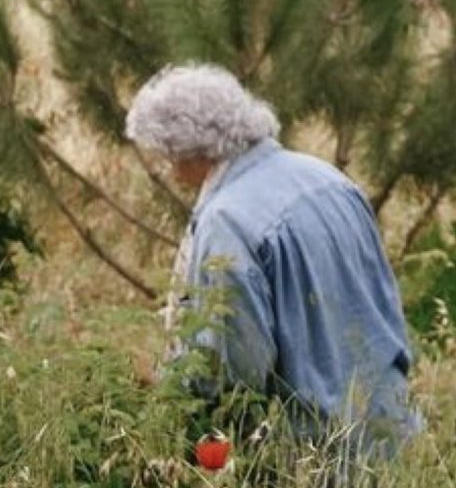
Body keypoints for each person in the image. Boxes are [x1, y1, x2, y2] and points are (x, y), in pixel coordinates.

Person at [126, 62, 419, 461]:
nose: (169, 170)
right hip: (390, 429)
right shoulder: (328, 179)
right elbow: (385, 303)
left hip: (314, 456)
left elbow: (234, 367)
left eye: (166, 155)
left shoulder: (226, 220)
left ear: (189, 149)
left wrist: (173, 399)